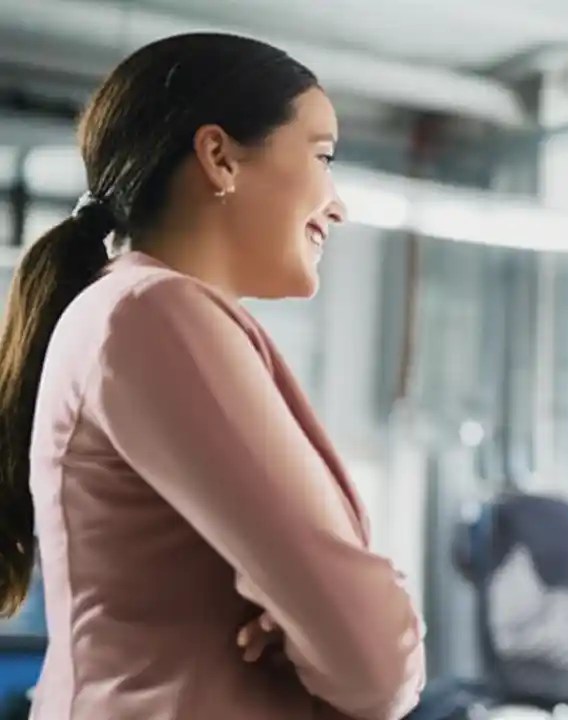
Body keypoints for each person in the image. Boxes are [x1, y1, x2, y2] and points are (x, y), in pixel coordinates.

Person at [0, 33, 425, 719]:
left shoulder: (129, 309)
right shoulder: (154, 313)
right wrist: (332, 619)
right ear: (220, 157)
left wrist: (307, 615)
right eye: (322, 156)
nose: (338, 205)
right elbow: (376, 666)